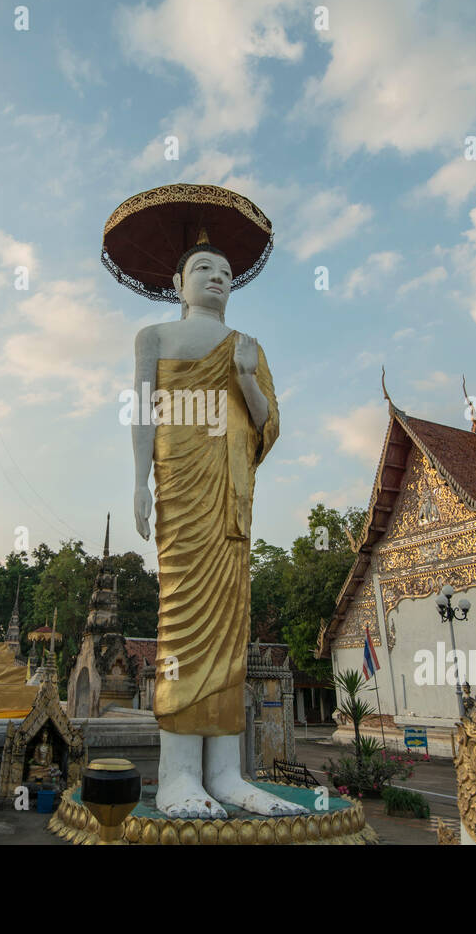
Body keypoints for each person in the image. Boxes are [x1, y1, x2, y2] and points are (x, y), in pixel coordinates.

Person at [131, 239, 304, 819]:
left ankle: (226, 772)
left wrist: (248, 378)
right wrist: (139, 482)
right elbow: (142, 412)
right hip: (181, 488)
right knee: (182, 616)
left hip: (231, 496)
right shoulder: (154, 338)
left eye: (226, 272)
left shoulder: (246, 346)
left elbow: (266, 424)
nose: (217, 277)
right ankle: (178, 774)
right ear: (177, 284)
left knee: (231, 625)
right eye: (202, 268)